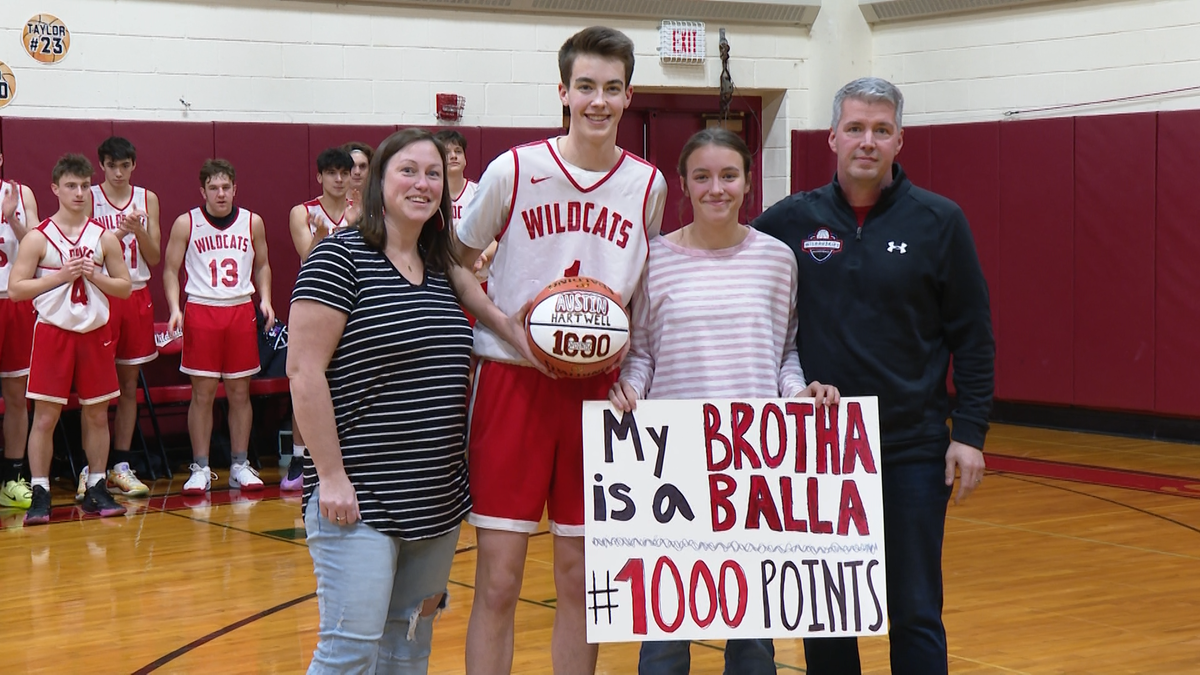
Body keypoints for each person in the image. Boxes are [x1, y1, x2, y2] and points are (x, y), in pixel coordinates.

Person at [753, 77, 994, 675]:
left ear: (899, 141)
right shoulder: (789, 221)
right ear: (832, 137)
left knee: (915, 610)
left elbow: (973, 335)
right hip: (821, 451)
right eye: (855, 128)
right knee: (827, 615)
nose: (867, 141)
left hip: (912, 449)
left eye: (881, 130)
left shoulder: (940, 221)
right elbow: (723, 262)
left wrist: (969, 433)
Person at [456, 26, 668, 675]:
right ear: (563, 92)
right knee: (498, 580)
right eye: (586, 87)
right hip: (511, 381)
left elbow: (642, 293)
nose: (598, 101)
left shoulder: (648, 184)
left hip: (597, 393)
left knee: (581, 580)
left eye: (611, 88)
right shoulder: (515, 169)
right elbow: (456, 261)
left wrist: (635, 373)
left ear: (628, 96)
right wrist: (504, 323)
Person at [609, 128, 839, 675]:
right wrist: (630, 388)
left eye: (729, 175)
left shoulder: (777, 259)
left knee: (754, 635)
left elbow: (783, 352)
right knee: (665, 632)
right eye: (703, 177)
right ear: (684, 185)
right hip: (672, 464)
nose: (717, 188)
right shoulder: (653, 259)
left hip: (753, 461)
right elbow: (642, 353)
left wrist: (800, 394)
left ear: (748, 183)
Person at [288, 129, 478, 673]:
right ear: (378, 182)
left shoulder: (441, 266)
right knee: (349, 651)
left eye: (433, 173)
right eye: (408, 171)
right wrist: (330, 476)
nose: (422, 183)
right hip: (360, 498)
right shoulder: (339, 257)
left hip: (437, 500)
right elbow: (303, 373)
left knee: (409, 647)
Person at [8, 154, 132, 525]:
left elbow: (124, 288)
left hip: (95, 333)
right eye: (71, 186)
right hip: (53, 332)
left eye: (84, 186)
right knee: (45, 417)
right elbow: (16, 289)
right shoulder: (39, 237)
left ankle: (96, 486)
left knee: (97, 414)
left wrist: (95, 276)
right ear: (55, 189)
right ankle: (41, 491)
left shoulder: (103, 236)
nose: (79, 193)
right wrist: (60, 276)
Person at [162, 159, 273, 495]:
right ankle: (200, 467)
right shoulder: (186, 223)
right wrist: (174, 307)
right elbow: (169, 270)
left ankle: (240, 465)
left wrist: (266, 300)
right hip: (202, 309)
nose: (220, 193)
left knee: (240, 393)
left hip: (240, 309)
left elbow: (263, 265)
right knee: (203, 394)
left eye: (226, 187)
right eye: (213, 188)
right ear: (203, 191)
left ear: (235, 188)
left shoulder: (253, 222)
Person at [76, 136, 160, 501]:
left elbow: (154, 256)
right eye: (112, 166)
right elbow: (82, 250)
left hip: (136, 293)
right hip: (101, 293)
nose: (119, 173)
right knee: (94, 389)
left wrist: (139, 230)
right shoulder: (89, 197)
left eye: (125, 165)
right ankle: (89, 468)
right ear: (102, 166)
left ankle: (120, 465)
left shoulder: (147, 198)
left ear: (134, 165)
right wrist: (120, 232)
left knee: (129, 385)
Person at [282, 147, 355, 491]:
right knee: (307, 378)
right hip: (315, 302)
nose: (338, 179)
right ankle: (299, 455)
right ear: (320, 177)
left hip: (353, 303)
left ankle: (346, 452)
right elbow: (308, 257)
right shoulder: (303, 212)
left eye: (344, 173)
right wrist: (320, 236)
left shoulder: (362, 212)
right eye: (332, 173)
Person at [0, 156, 39, 510]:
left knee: (16, 395)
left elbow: (38, 247)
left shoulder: (21, 193)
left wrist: (12, 217)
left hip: (13, 301)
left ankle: (12, 479)